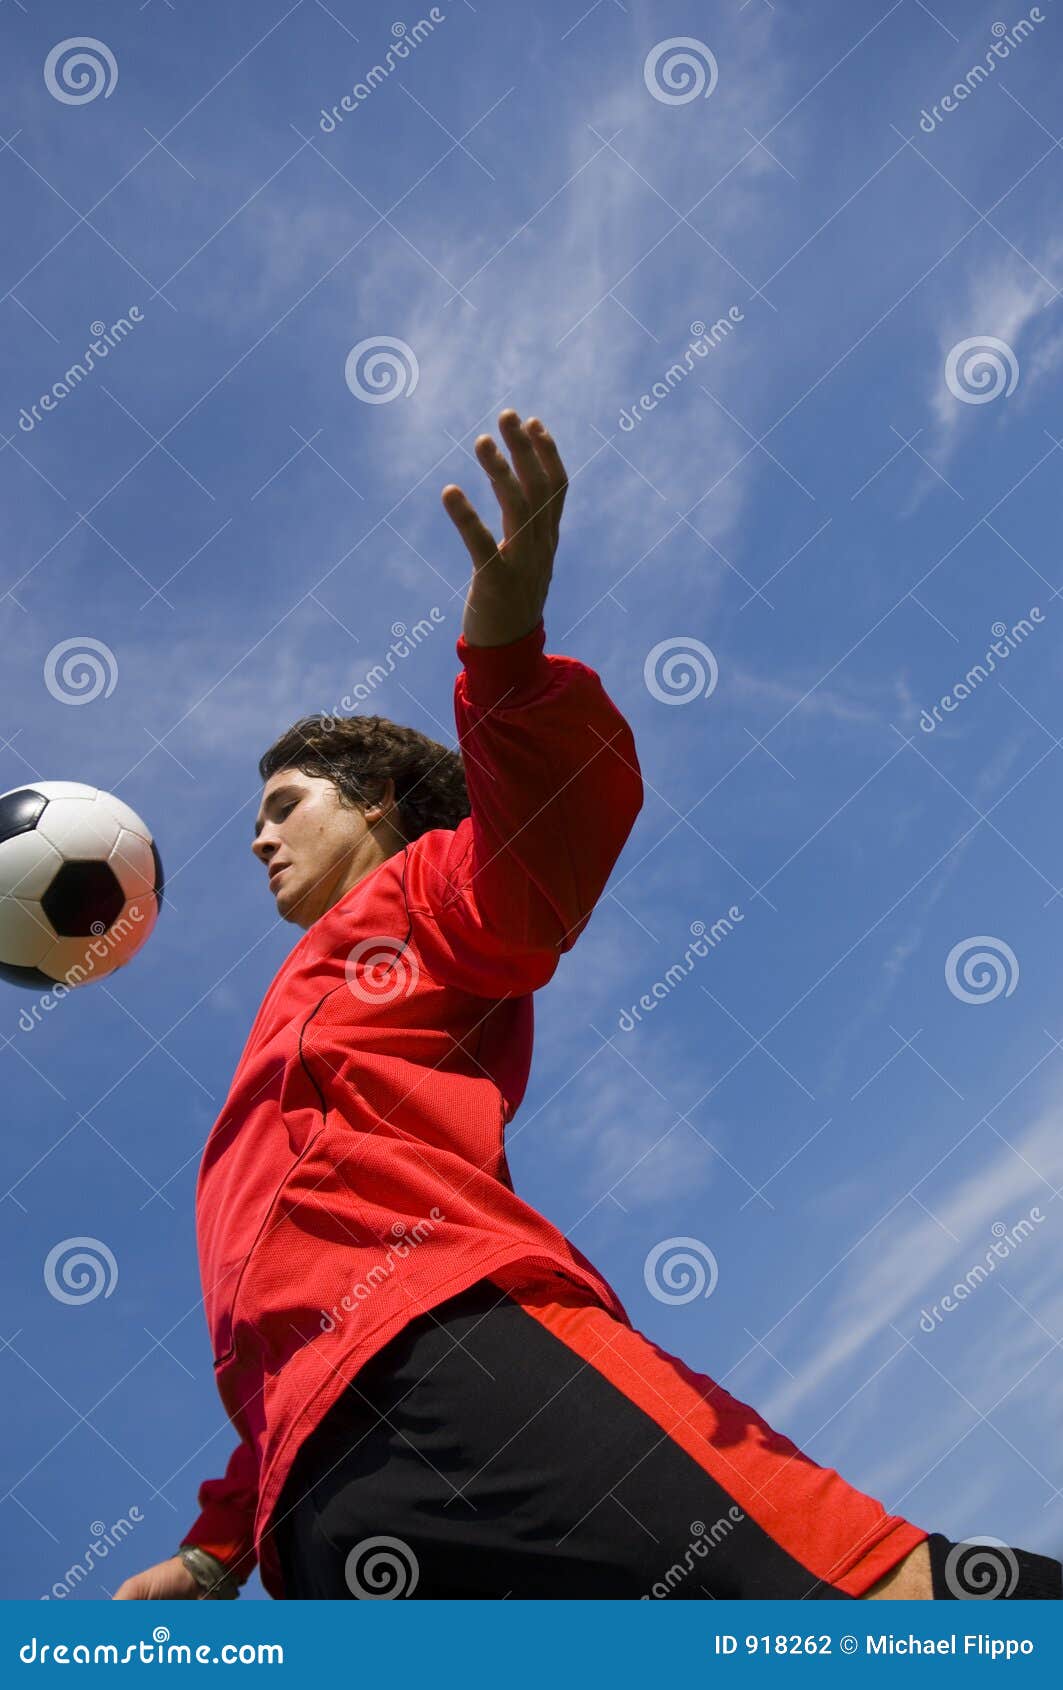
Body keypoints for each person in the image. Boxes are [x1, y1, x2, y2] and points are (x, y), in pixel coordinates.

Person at [114, 412, 1061, 1602]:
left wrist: (503, 656)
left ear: (379, 803)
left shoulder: (434, 889)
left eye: (286, 802)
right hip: (323, 1501)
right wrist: (221, 1543)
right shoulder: (283, 1025)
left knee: (860, 1611)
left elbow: (544, 849)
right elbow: (290, 1329)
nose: (256, 835)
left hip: (463, 1355)